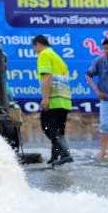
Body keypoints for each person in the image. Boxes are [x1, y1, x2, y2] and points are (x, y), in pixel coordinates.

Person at [32, 35, 73, 166]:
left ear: (38, 44)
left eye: (34, 48)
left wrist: (45, 98)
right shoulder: (57, 57)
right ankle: (55, 158)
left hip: (53, 100)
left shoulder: (44, 54)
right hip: (64, 100)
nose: (35, 51)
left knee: (47, 127)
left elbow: (47, 77)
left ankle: (66, 154)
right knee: (58, 130)